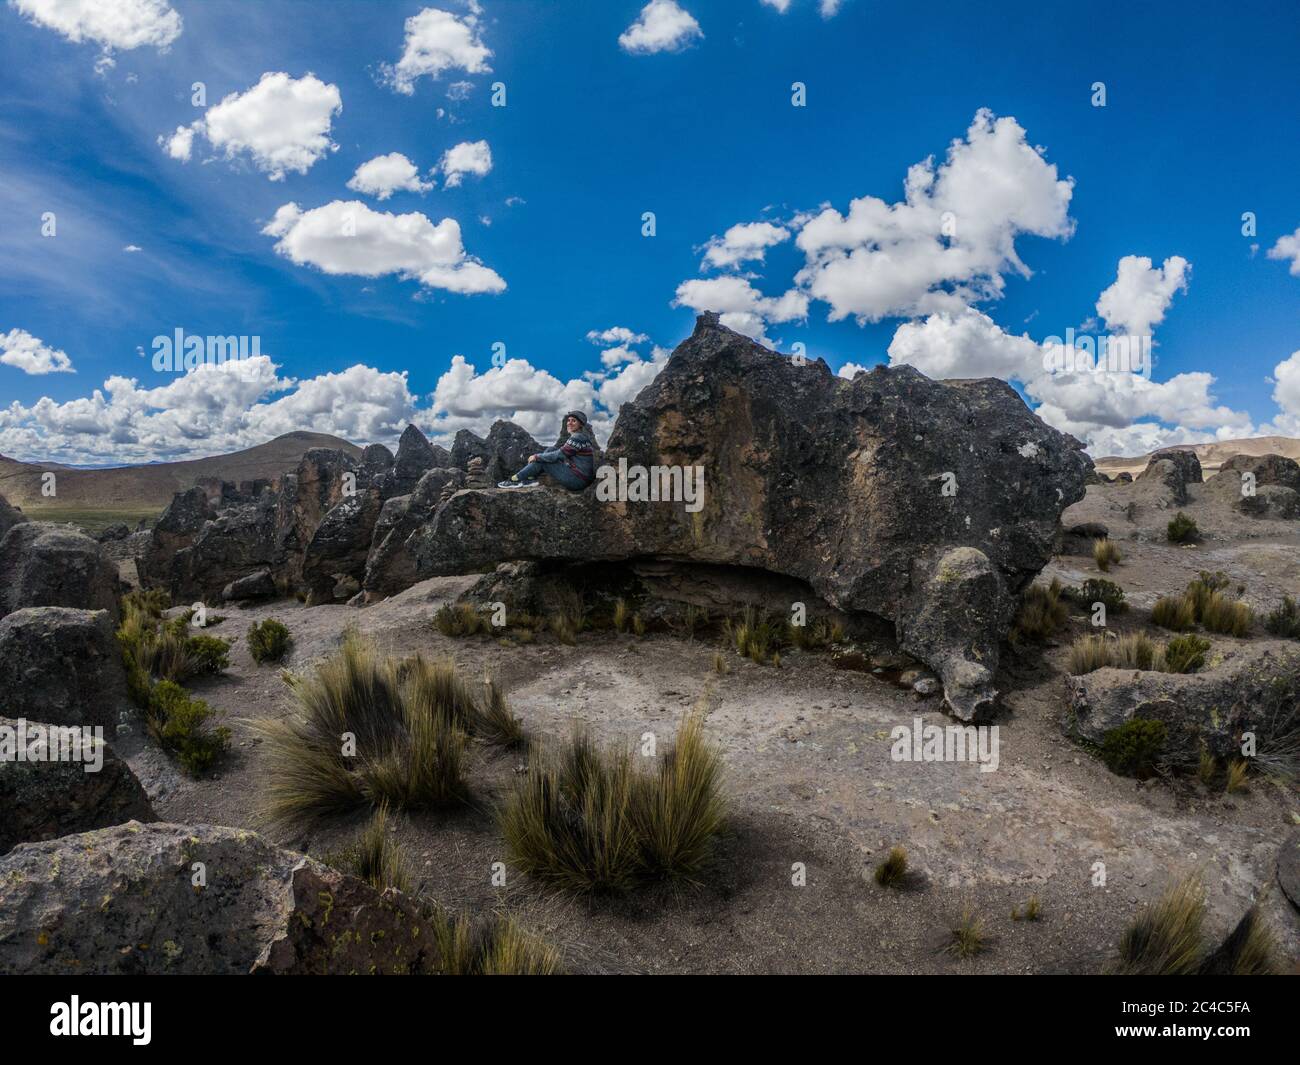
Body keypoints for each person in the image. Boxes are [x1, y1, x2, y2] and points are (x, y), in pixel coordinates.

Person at [498, 410, 596, 491]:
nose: (569, 423)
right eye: (569, 420)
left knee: (543, 461)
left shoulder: (577, 438)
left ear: (580, 425)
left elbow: (560, 455)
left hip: (578, 481)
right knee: (551, 449)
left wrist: (537, 456)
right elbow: (559, 452)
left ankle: (515, 479)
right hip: (581, 477)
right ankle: (530, 478)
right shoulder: (580, 437)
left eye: (574, 421)